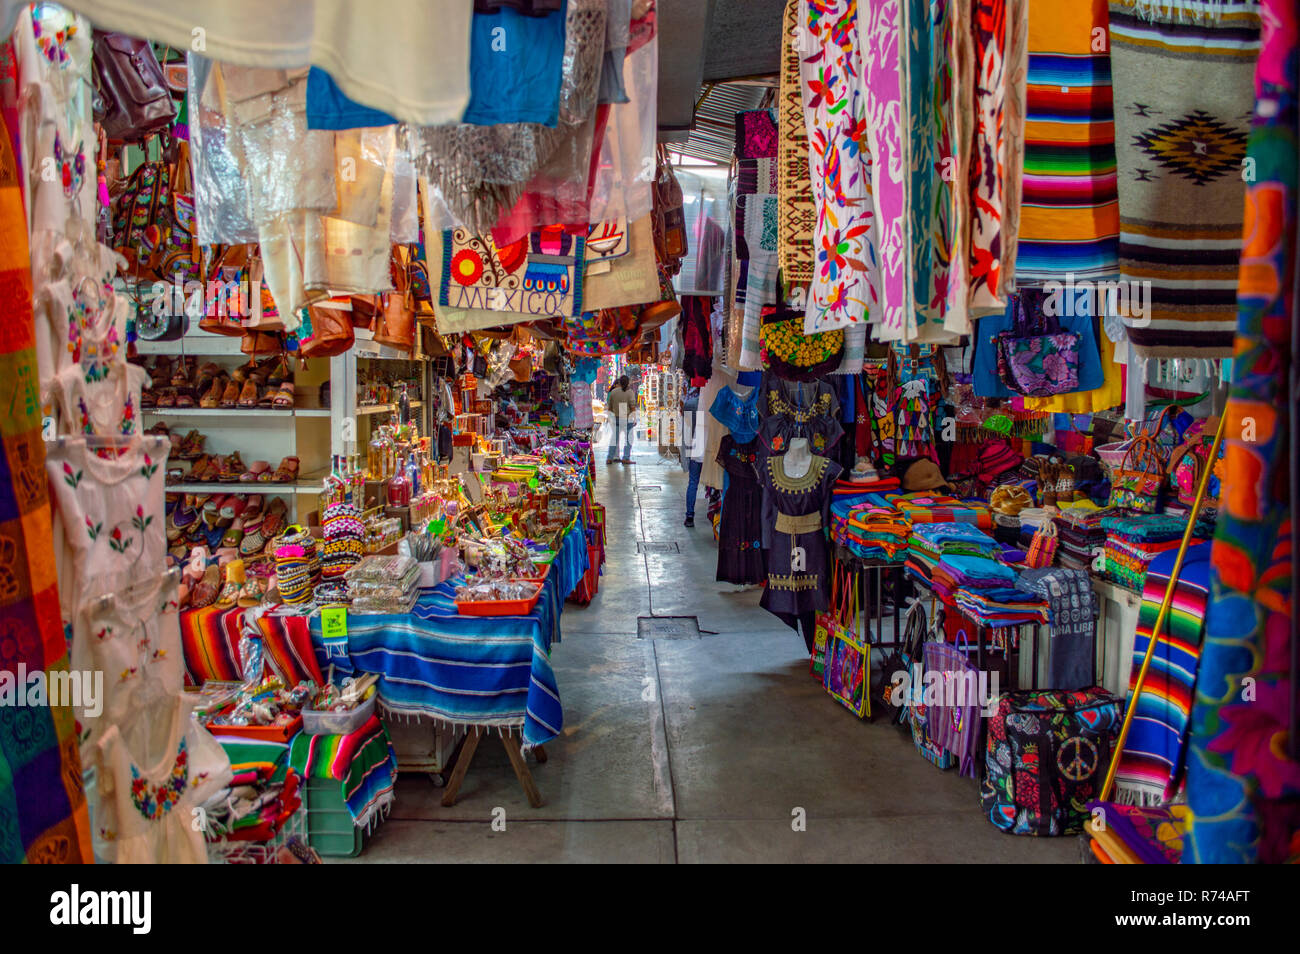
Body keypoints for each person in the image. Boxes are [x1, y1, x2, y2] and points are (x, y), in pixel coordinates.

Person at [681, 386, 702, 526]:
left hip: (695, 446)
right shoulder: (716, 401)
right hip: (712, 447)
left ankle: (690, 516)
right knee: (719, 485)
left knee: (693, 482)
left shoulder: (690, 404)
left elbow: (687, 428)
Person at [605, 375, 637, 464]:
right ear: (627, 383)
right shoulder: (630, 392)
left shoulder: (614, 392)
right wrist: (634, 418)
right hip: (627, 419)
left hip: (616, 418)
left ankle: (609, 458)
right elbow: (632, 407)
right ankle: (626, 457)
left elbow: (609, 407)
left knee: (614, 439)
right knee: (628, 439)